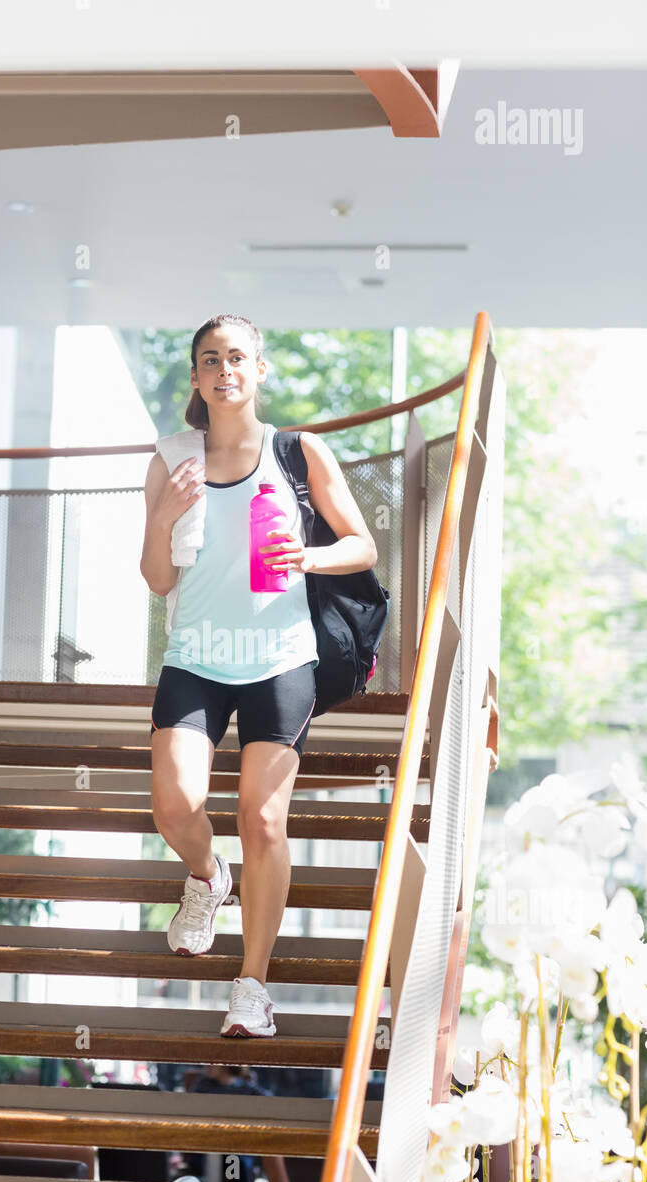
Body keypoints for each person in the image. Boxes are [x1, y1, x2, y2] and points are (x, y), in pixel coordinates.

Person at [140, 313, 378, 1038]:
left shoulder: (299, 453)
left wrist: (311, 557)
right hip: (196, 655)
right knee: (175, 806)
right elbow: (156, 579)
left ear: (259, 370)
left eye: (237, 357)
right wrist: (166, 517)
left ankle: (252, 985)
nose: (224, 369)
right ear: (196, 377)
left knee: (262, 818)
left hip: (279, 659)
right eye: (210, 359)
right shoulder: (170, 459)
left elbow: (362, 545)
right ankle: (210, 879)